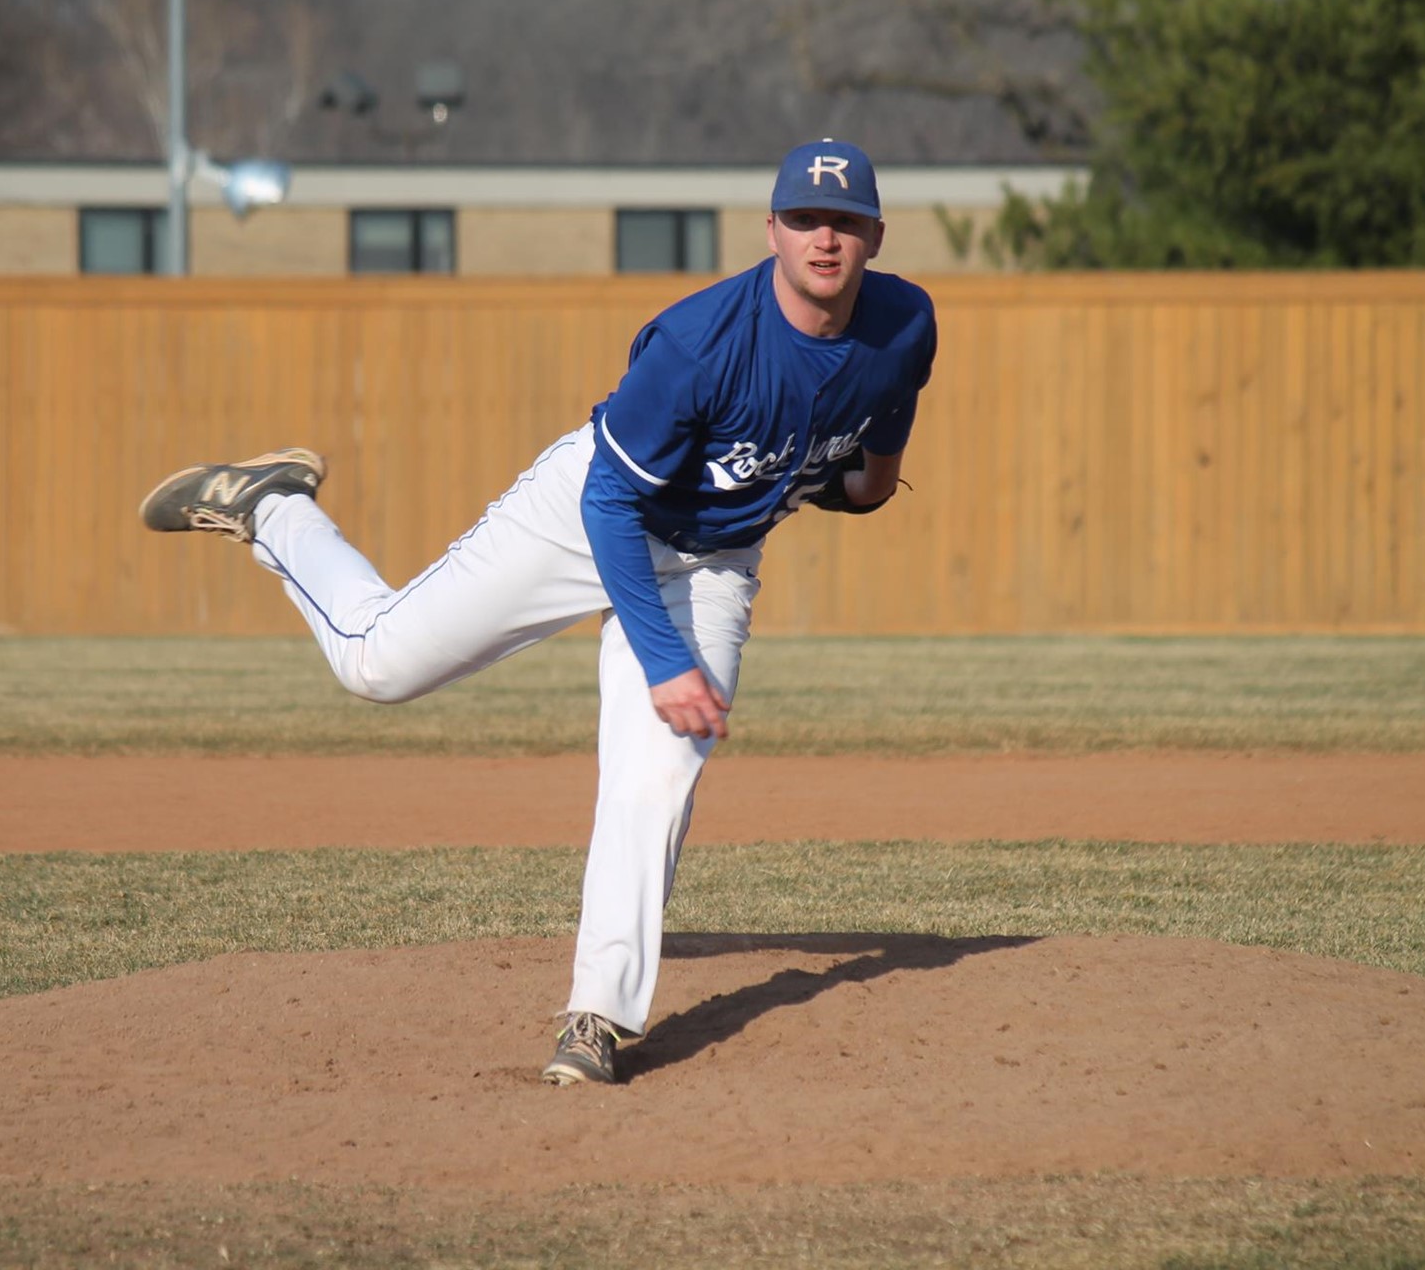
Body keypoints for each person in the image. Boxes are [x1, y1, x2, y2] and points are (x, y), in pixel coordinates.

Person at [139, 138, 936, 1086]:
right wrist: (663, 662)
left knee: (661, 773)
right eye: (806, 218)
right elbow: (610, 505)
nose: (826, 237)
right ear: (771, 230)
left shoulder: (906, 324)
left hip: (713, 560)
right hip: (588, 510)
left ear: (877, 236)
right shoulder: (698, 345)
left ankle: (597, 1020)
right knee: (377, 664)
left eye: (846, 222)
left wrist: (870, 488)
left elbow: (879, 440)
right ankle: (274, 508)